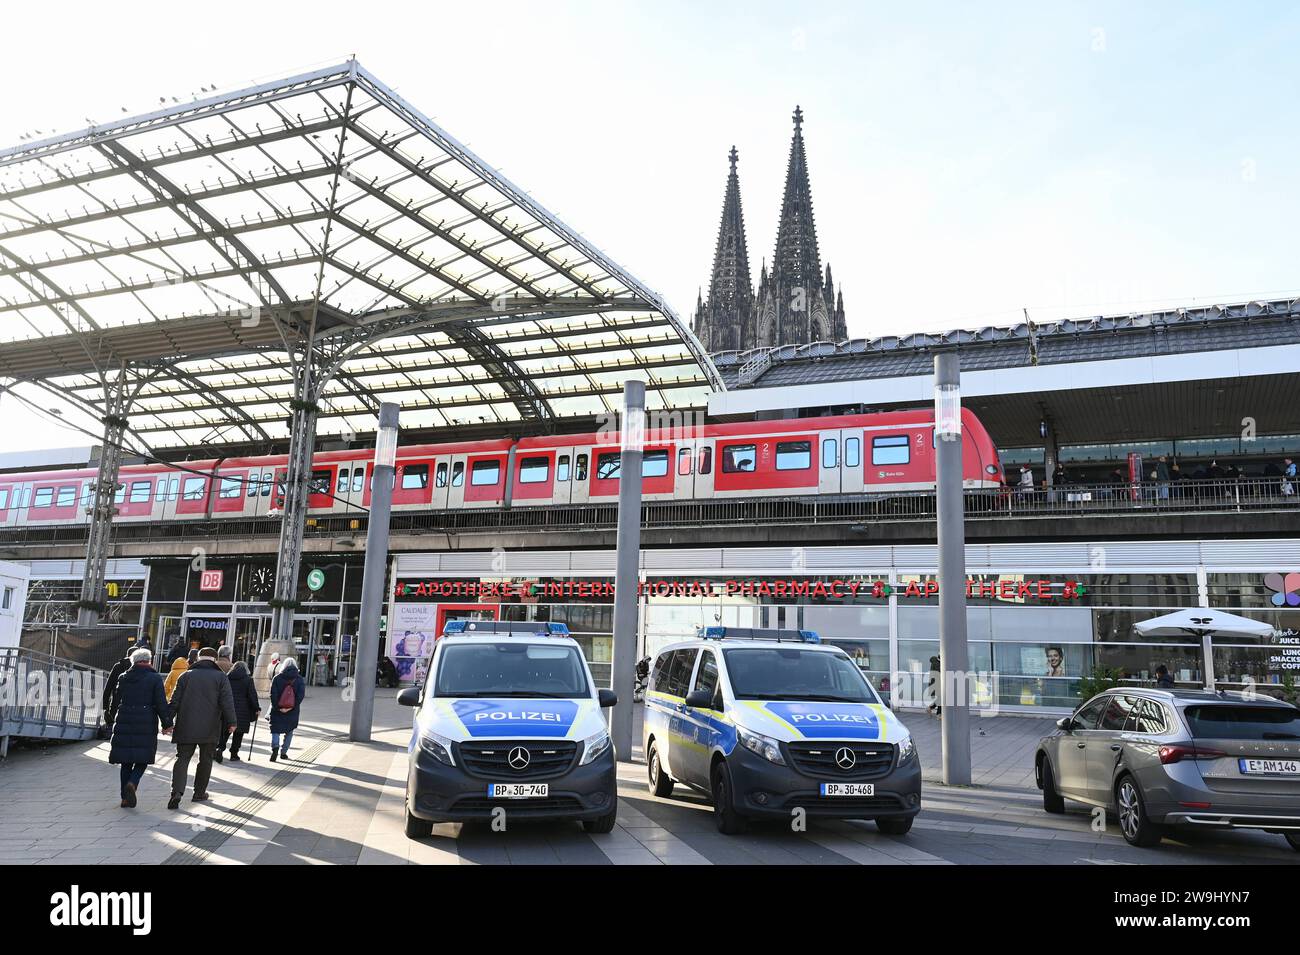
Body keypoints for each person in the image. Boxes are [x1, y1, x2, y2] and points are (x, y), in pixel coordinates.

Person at [167, 646, 236, 810]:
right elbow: (227, 702)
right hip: (210, 726)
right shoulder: (221, 677)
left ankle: (176, 792)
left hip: (186, 724)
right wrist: (232, 722)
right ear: (214, 659)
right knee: (205, 759)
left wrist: (167, 722)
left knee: (182, 758)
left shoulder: (185, 676)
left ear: (198, 658)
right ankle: (199, 793)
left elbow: (174, 701)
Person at [107, 647, 172, 808]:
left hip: (124, 718)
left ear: (133, 661)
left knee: (126, 761)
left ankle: (124, 797)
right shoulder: (155, 678)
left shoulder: (124, 677)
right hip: (146, 720)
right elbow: (161, 703)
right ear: (149, 661)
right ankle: (133, 783)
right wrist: (167, 723)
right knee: (143, 757)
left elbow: (116, 699)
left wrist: (111, 716)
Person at [222, 659, 260, 762]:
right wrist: (257, 708)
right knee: (238, 733)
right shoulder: (248, 680)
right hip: (243, 711)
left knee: (225, 731)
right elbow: (252, 696)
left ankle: (219, 749)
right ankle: (234, 754)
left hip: (228, 709)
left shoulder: (227, 678)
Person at [268, 657, 306, 762]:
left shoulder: (277, 678)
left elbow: (272, 694)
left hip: (277, 710)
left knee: (275, 730)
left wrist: (278, 707)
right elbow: (300, 696)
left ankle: (275, 748)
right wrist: (291, 707)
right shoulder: (299, 679)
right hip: (292, 711)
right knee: (289, 731)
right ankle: (284, 752)